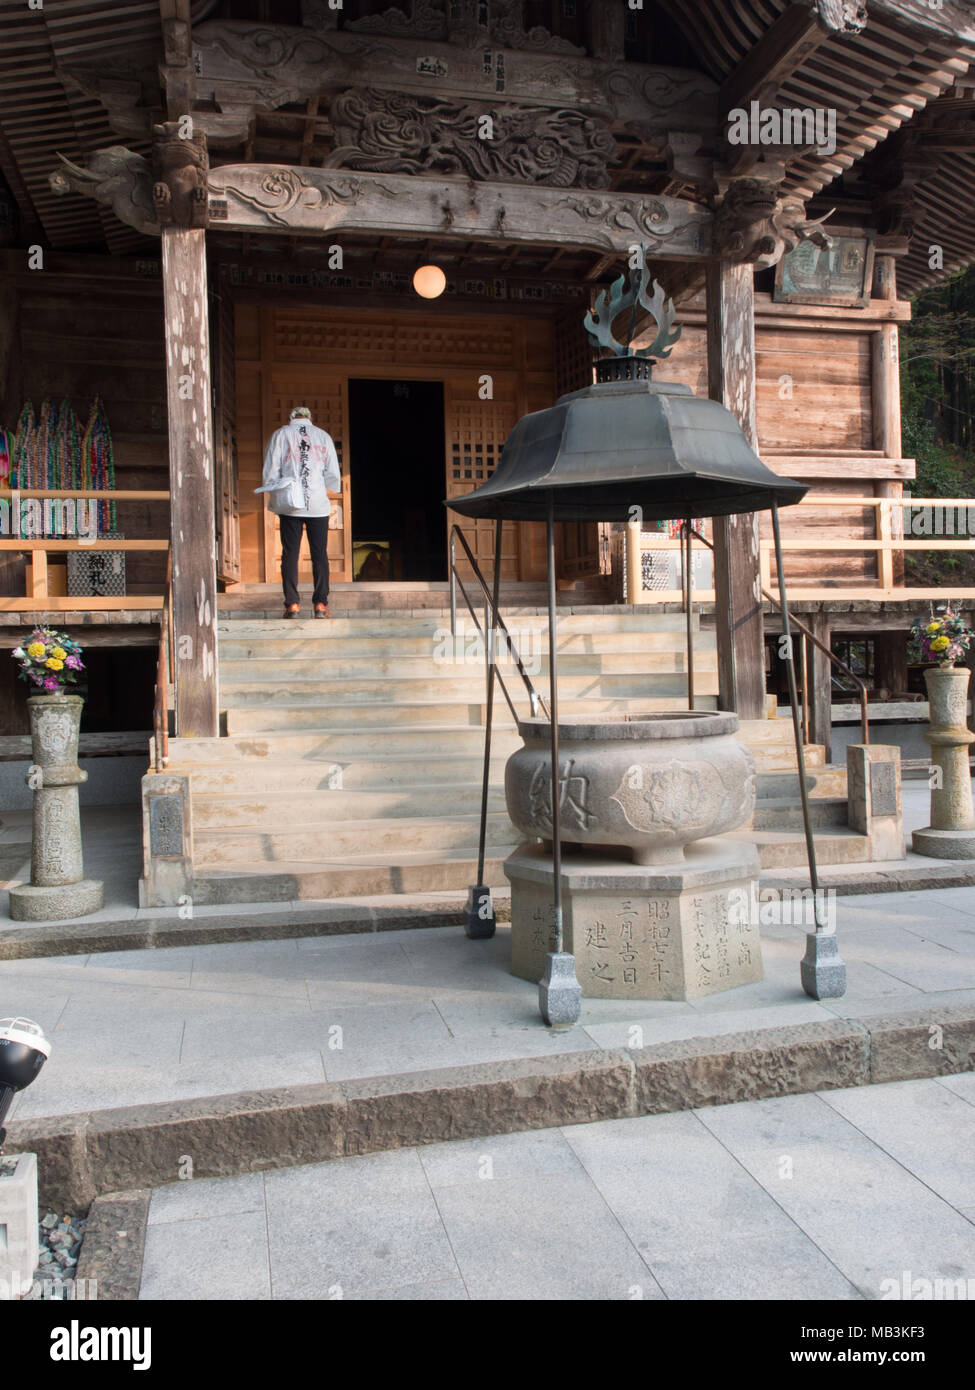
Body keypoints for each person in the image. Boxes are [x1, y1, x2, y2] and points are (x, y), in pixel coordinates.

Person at [256, 406, 342, 619]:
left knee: (290, 554)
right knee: (319, 554)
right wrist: (321, 482)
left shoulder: (281, 434)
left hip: (290, 503)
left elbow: (271, 469)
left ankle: (292, 604)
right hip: (317, 504)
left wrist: (275, 490)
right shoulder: (322, 436)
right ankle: (320, 603)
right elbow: (333, 474)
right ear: (309, 418)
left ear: (291, 418)